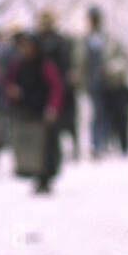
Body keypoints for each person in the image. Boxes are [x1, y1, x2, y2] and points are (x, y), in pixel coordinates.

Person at [4, 30, 63, 193]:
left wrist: (52, 107)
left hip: (42, 111)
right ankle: (35, 176)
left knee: (44, 148)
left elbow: (55, 86)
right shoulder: (17, 64)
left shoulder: (45, 64)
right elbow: (8, 82)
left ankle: (45, 178)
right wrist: (12, 92)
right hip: (25, 111)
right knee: (30, 147)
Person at [79, 7, 128, 157]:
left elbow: (123, 61)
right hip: (93, 85)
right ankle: (97, 144)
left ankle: (107, 142)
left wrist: (110, 69)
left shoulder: (110, 40)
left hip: (111, 85)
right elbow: (80, 63)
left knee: (110, 114)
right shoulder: (85, 41)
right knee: (98, 113)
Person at [34, 9, 79, 160]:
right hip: (45, 85)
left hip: (63, 84)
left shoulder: (61, 40)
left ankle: (74, 147)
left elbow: (69, 60)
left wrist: (71, 74)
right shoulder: (37, 41)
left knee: (69, 119)